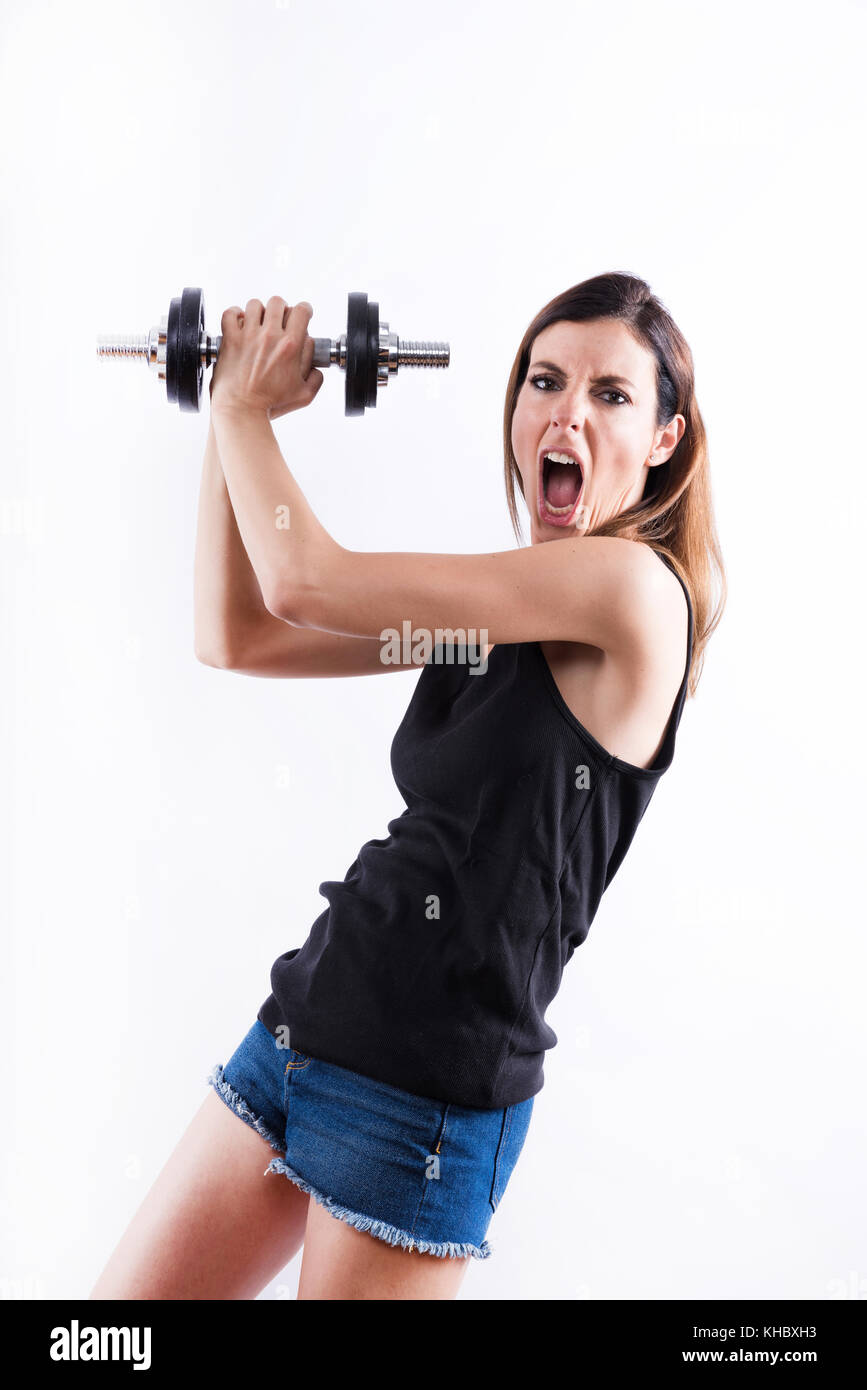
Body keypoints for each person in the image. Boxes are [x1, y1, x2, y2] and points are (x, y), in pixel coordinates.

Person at [90, 270, 725, 1301]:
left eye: (611, 394)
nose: (565, 411)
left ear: (665, 439)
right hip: (303, 1025)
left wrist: (252, 408)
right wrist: (226, 407)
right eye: (544, 379)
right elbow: (241, 630)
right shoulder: (491, 617)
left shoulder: (631, 595)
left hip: (423, 1103)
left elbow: (309, 578)